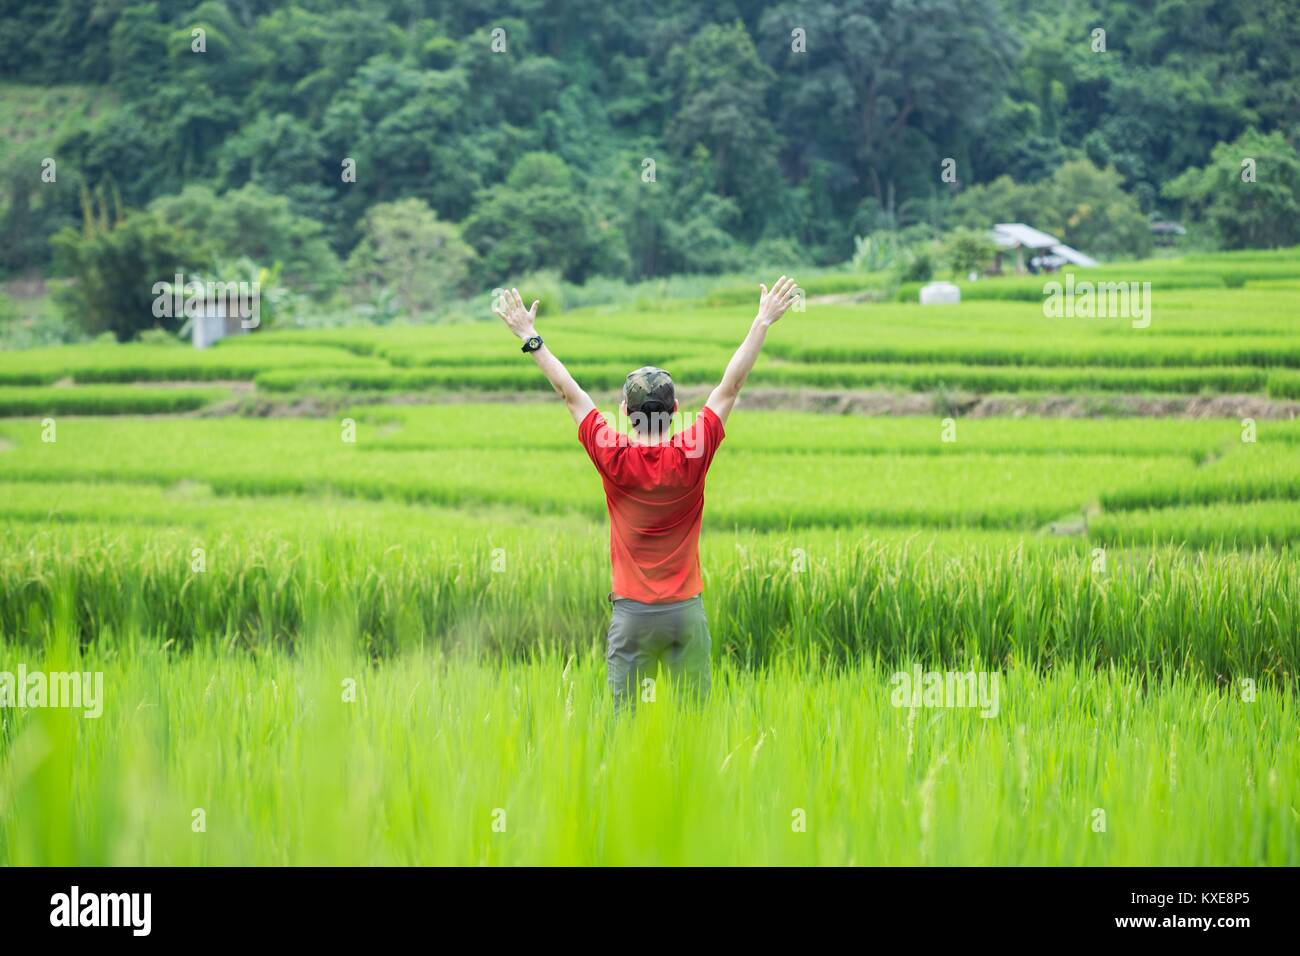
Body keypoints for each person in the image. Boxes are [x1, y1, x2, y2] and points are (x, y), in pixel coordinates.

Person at [493, 276, 800, 709]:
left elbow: (569, 393)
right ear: (676, 411)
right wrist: (763, 321)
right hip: (685, 614)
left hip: (632, 616)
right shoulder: (693, 451)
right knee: (693, 729)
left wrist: (530, 336)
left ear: (624, 412)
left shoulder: (612, 453)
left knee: (625, 730)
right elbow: (730, 386)